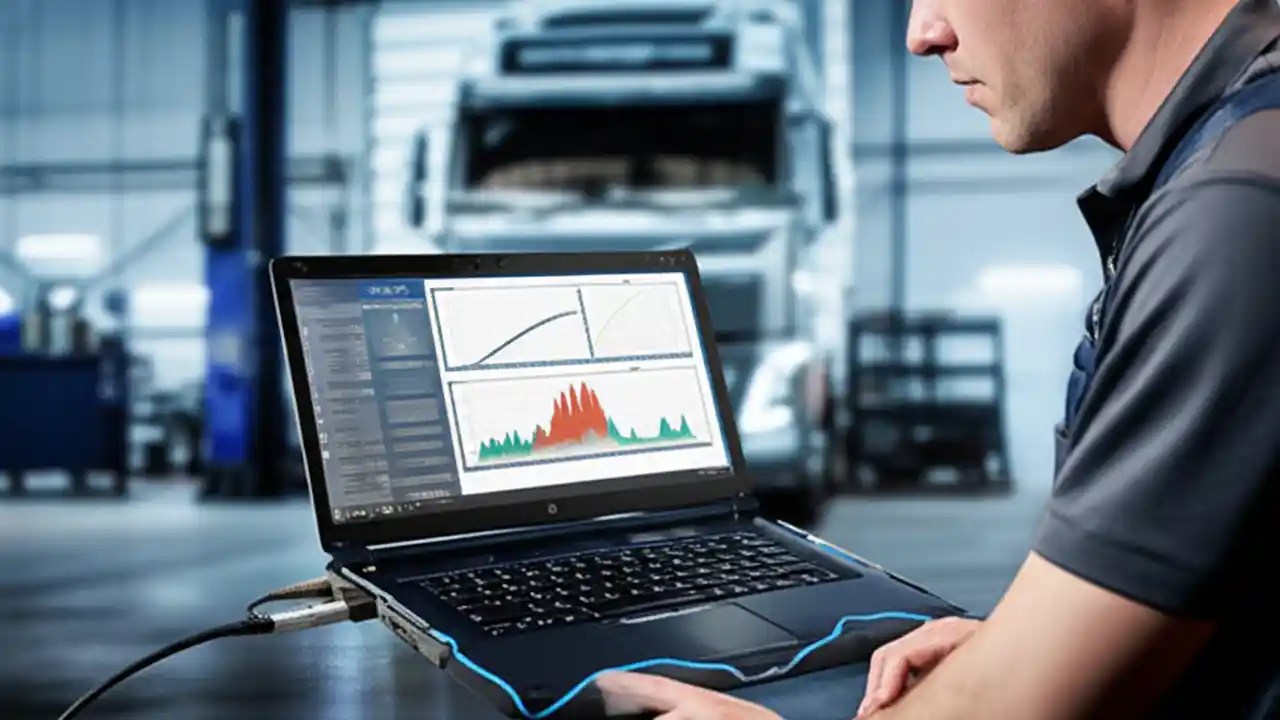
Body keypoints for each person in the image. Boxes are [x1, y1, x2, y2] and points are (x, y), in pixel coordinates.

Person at [594, 0, 1280, 717]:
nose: (923, 34)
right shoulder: (1233, 153)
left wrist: (1008, 681)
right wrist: (1031, 642)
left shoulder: (1235, 211)